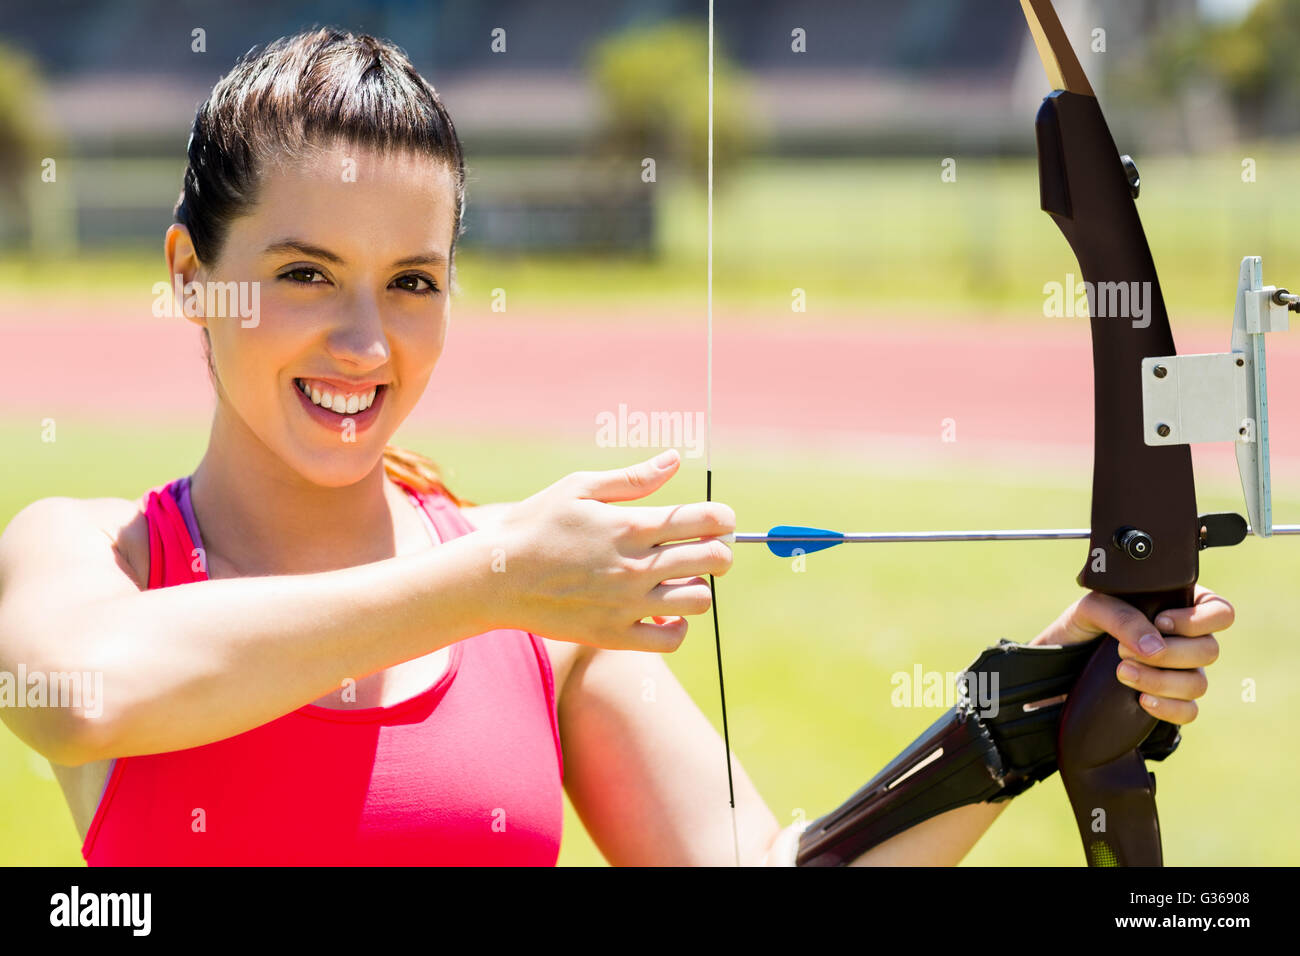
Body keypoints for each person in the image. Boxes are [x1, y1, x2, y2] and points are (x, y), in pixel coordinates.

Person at [0, 28, 1230, 866]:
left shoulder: (538, 599)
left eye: (413, 279)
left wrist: (1021, 710)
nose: (365, 340)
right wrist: (490, 579)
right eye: (305, 272)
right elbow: (88, 690)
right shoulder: (95, 553)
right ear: (189, 273)